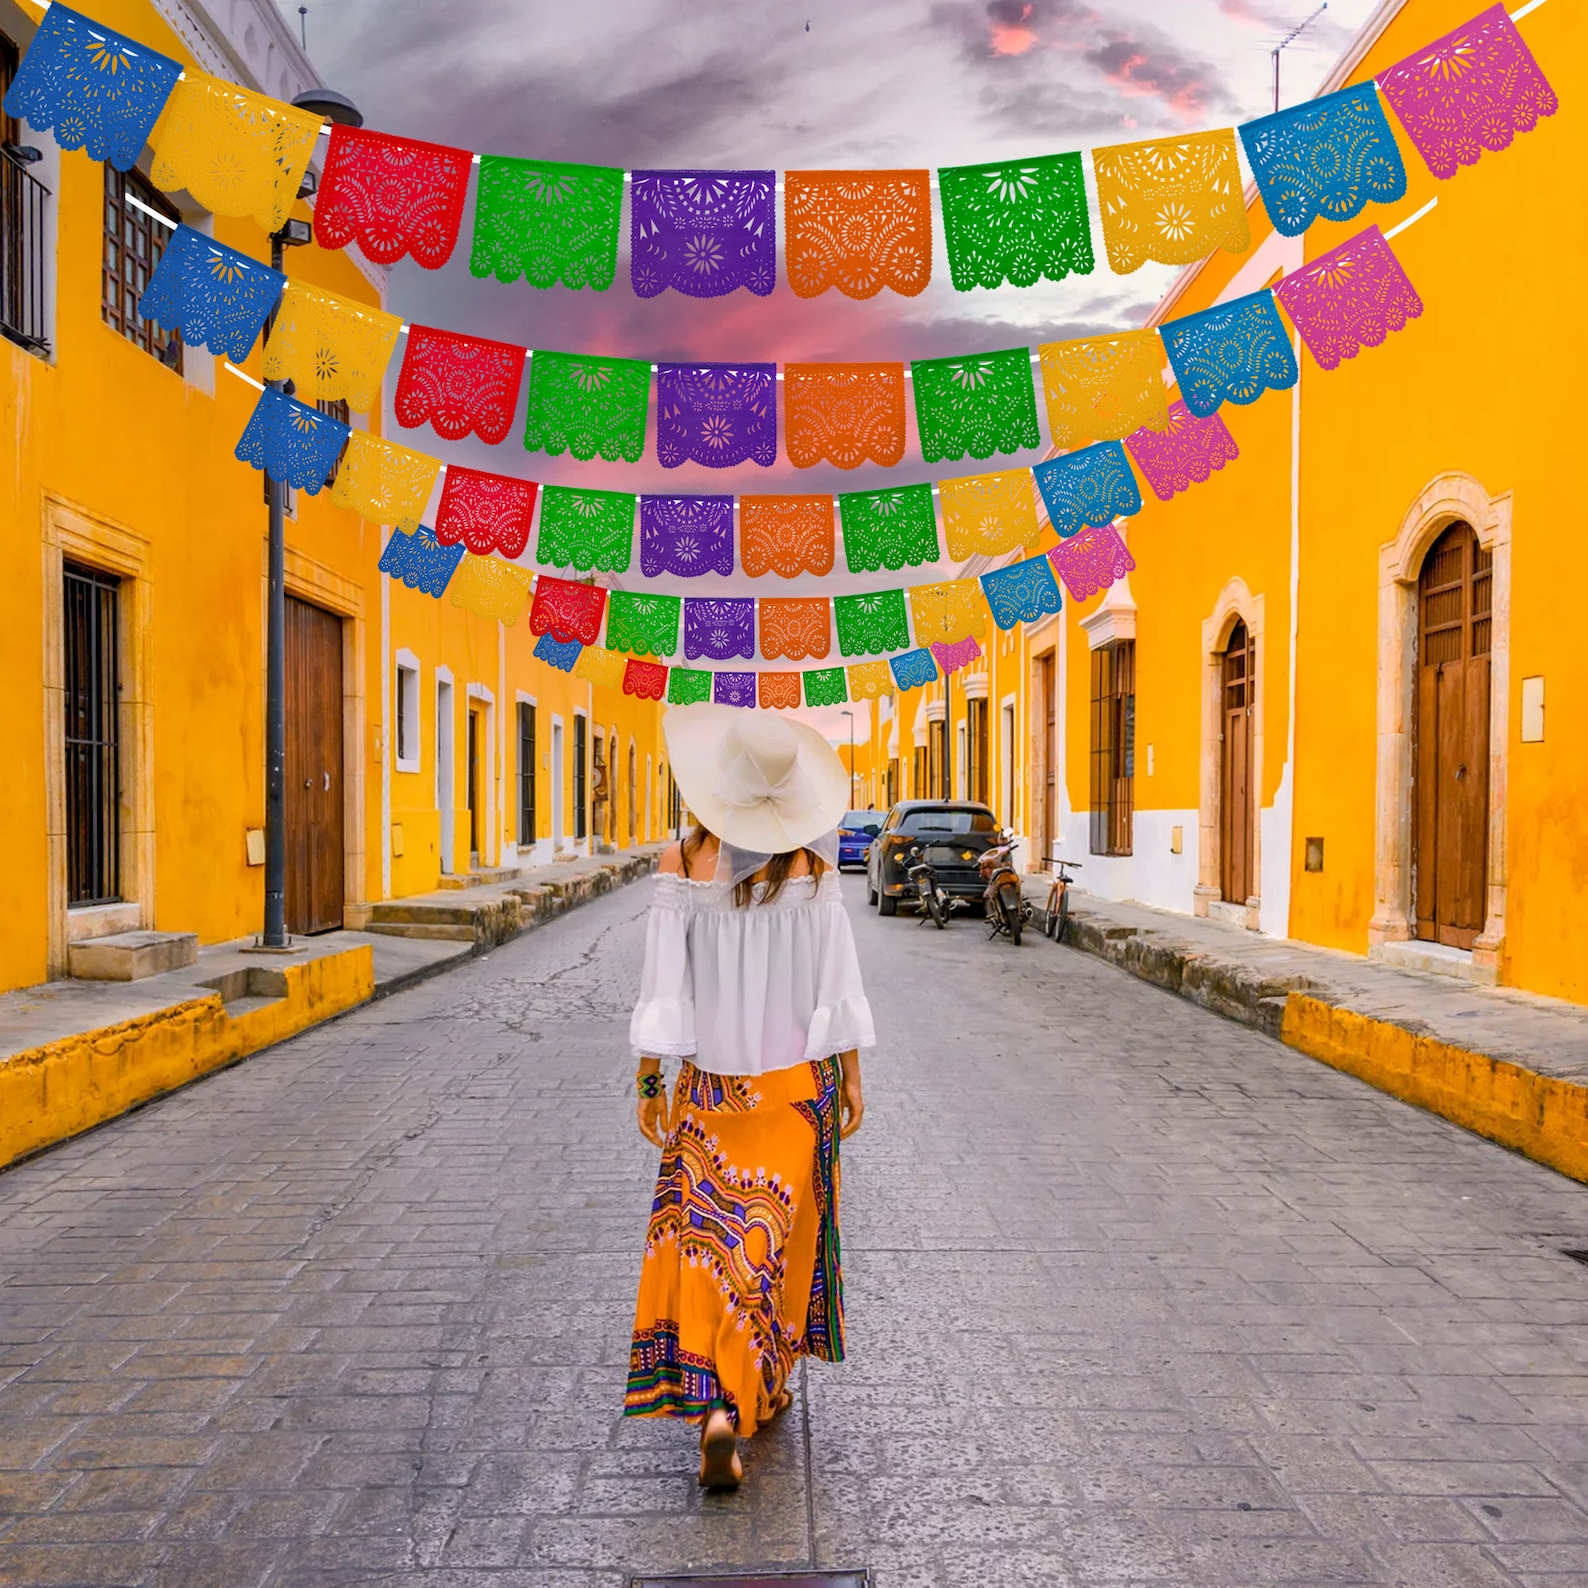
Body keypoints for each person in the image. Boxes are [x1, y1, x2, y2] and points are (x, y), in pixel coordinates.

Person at [624, 704, 874, 1488]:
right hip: (796, 1092)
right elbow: (837, 990)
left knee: (709, 1251)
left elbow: (664, 986)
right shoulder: (815, 874)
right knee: (769, 1249)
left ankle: (722, 1409)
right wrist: (854, 1079)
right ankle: (754, 1390)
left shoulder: (679, 865)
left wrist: (649, 1076)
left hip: (711, 1095)